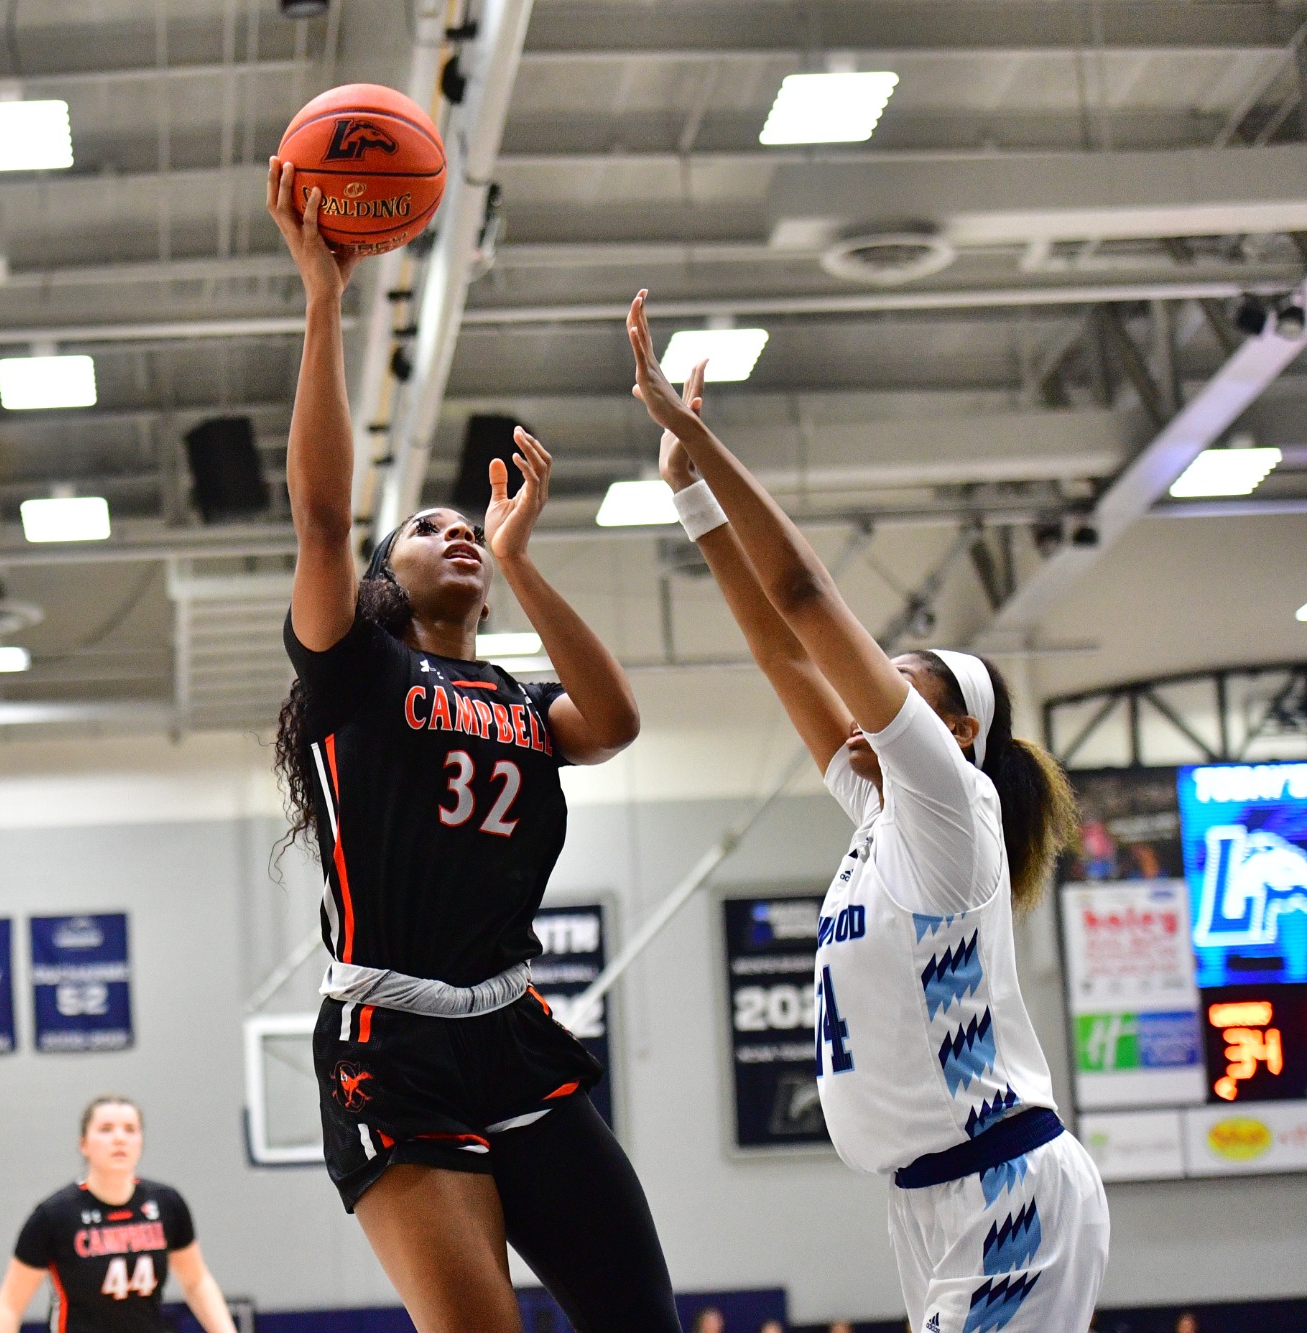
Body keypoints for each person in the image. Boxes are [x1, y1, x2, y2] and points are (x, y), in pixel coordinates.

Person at [627, 289, 1110, 1333]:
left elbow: (803, 596)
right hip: (925, 1199)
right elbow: (777, 647)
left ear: (955, 736)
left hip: (1005, 1190)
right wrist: (692, 504)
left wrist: (700, 441)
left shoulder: (947, 801)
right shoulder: (878, 816)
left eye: (893, 686)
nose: (862, 696)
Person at [263, 155, 679, 1333]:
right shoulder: (356, 670)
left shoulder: (514, 694)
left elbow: (613, 722)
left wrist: (526, 557)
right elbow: (316, 513)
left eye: (467, 530)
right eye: (427, 527)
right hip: (390, 1041)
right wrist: (324, 301)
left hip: (508, 1029)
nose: (456, 534)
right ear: (382, 576)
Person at [0, 1096, 236, 1333]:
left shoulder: (167, 1203)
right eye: (106, 1129)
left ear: (141, 1141)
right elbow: (9, 1305)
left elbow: (196, 1282)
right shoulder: (55, 1215)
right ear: (83, 1144)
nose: (119, 1139)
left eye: (130, 1129)